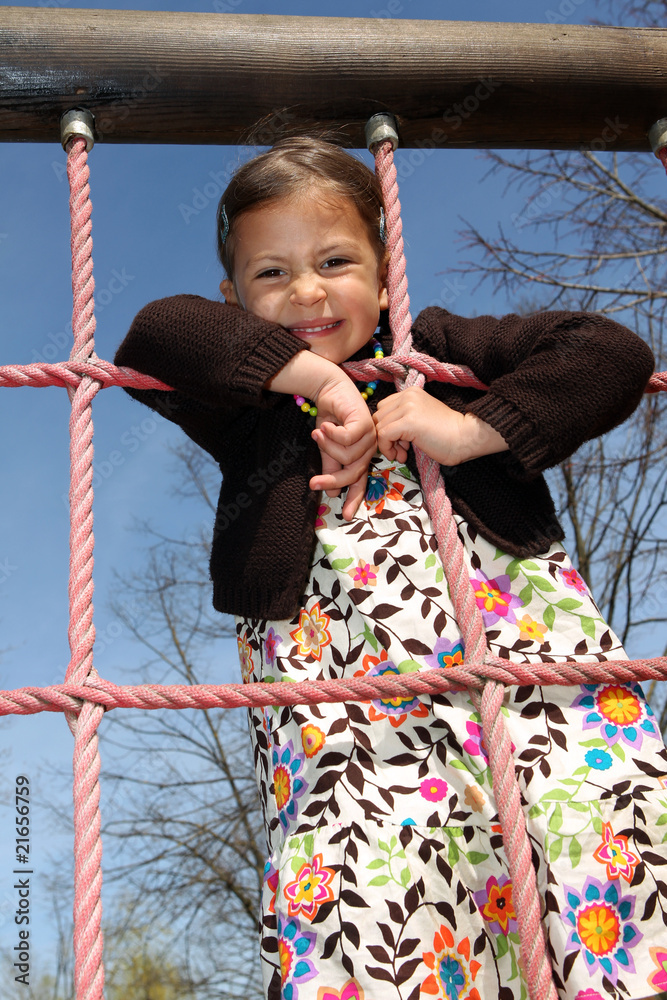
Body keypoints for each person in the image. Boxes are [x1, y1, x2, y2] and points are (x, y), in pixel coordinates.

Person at [115, 137, 667, 1000]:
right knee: (376, 914)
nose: (305, 290)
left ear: (383, 276)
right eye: (271, 274)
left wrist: (470, 428)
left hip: (528, 689)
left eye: (335, 260)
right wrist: (321, 386)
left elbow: (607, 352)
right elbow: (154, 334)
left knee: (595, 871)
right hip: (349, 730)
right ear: (235, 298)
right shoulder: (255, 412)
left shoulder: (438, 354)